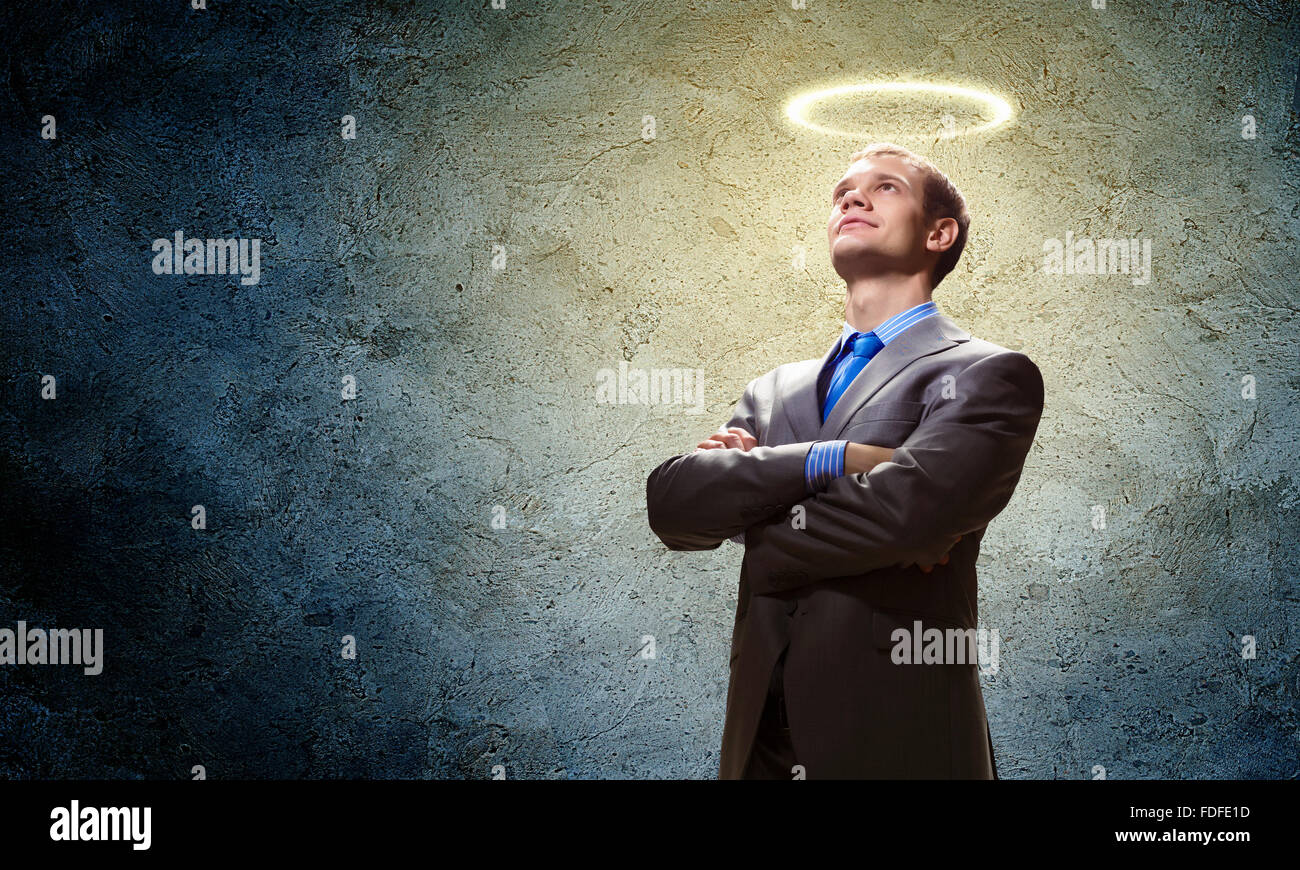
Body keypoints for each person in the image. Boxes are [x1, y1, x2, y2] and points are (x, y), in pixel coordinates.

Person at [645, 143, 1045, 779]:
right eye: (843, 193)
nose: (852, 199)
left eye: (885, 189)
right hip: (759, 746)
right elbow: (673, 507)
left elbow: (908, 518)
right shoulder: (772, 389)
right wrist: (834, 458)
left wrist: (755, 516)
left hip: (904, 742)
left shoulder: (987, 373)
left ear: (939, 232)